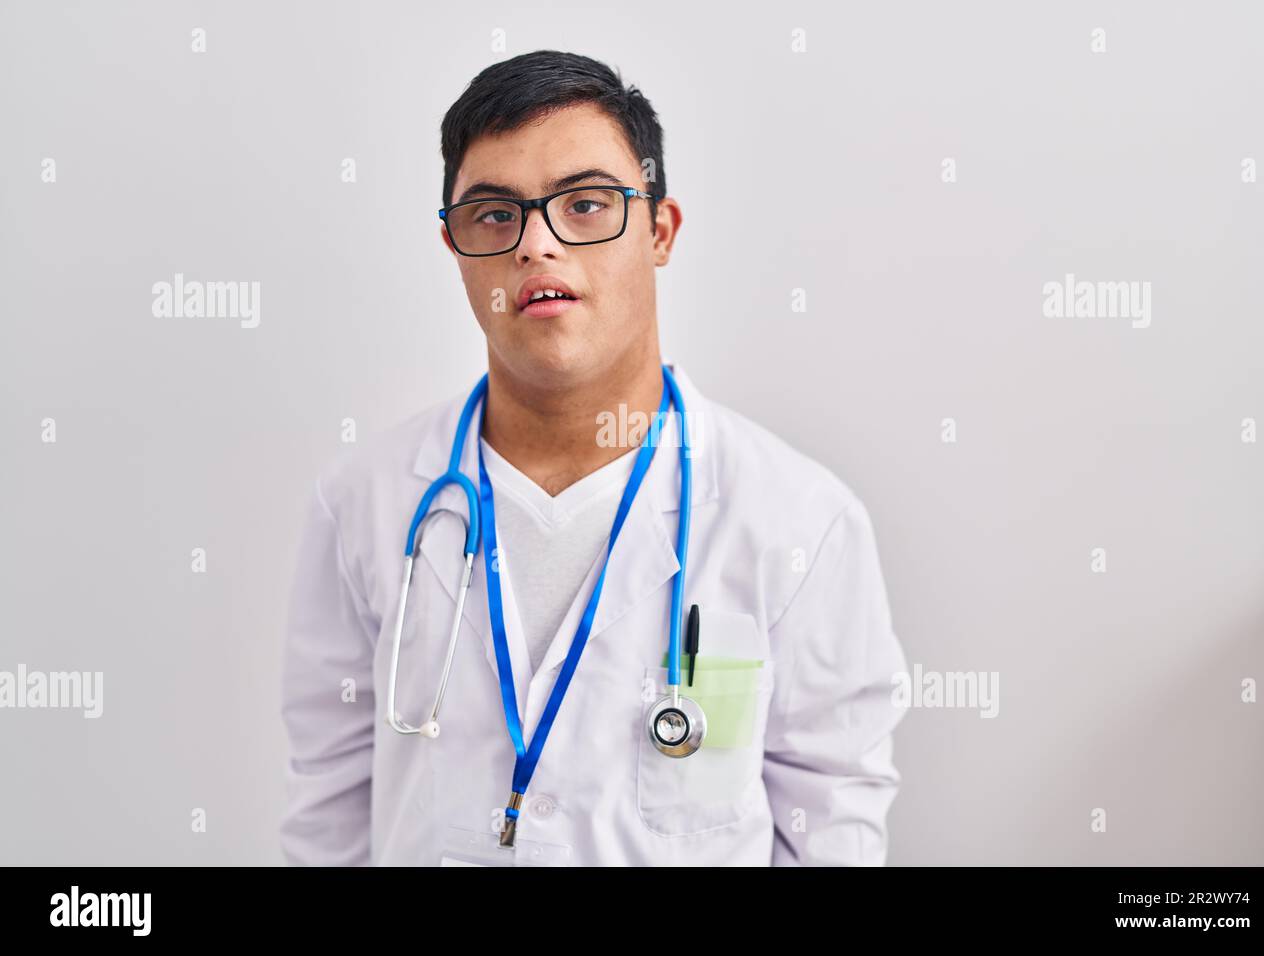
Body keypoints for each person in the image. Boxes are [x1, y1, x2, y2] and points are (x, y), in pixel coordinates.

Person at [279, 50, 907, 866]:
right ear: (454, 247)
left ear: (660, 231)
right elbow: (327, 818)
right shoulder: (361, 506)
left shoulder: (801, 522)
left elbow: (830, 830)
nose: (537, 244)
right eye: (495, 215)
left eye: (585, 204)